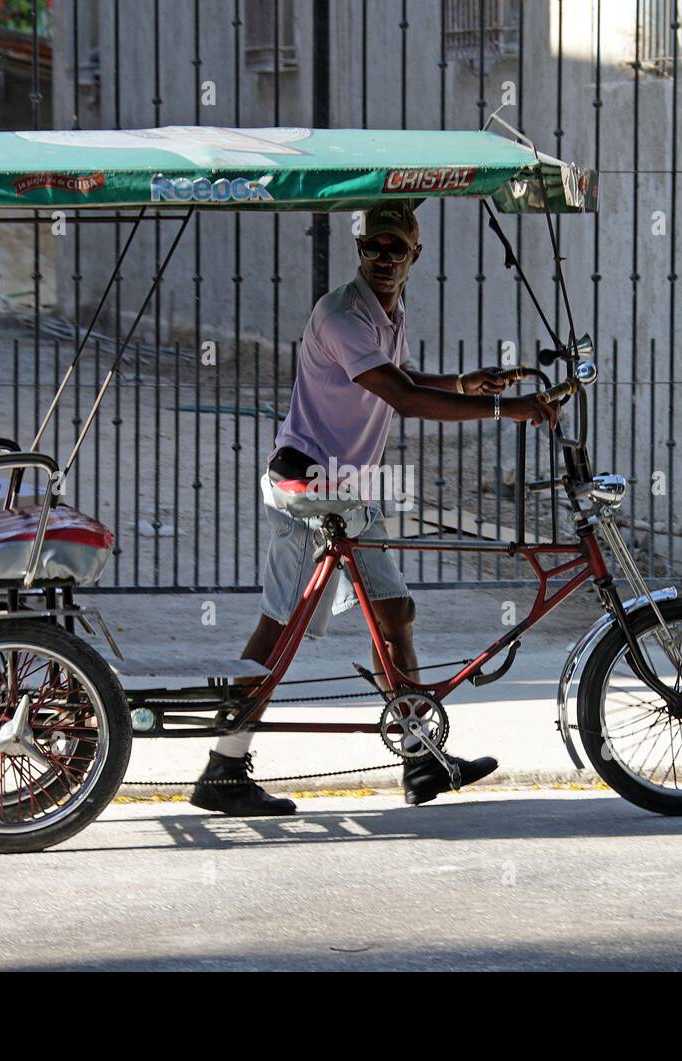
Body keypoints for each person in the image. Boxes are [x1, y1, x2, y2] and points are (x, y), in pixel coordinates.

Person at [192, 200, 559, 816]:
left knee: (395, 613)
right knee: (280, 626)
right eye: (373, 247)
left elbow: (405, 378)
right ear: (360, 250)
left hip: (348, 490)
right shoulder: (341, 314)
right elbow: (403, 399)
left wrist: (467, 384)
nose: (383, 258)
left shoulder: (387, 314)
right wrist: (507, 411)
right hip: (309, 485)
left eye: (396, 248)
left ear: (416, 256)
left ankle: (420, 761)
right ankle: (224, 767)